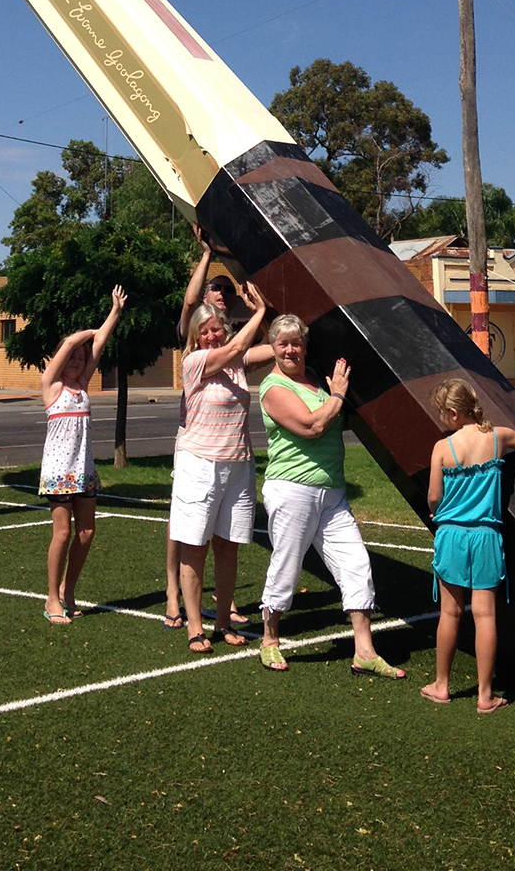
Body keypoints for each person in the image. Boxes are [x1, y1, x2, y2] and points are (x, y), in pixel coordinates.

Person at [256, 314, 404, 678]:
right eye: (283, 344)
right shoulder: (273, 388)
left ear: (306, 345)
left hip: (332, 492)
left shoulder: (316, 379)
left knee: (356, 565)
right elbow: (312, 425)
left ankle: (364, 651)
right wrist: (337, 395)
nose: (290, 349)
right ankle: (269, 640)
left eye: (296, 343)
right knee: (287, 568)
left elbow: (338, 416)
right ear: (273, 348)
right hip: (292, 491)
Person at [421, 379, 515, 713]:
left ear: (452, 412)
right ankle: (485, 695)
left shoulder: (441, 448)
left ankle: (441, 685)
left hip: (451, 536)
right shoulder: (496, 437)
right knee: (485, 613)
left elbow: (434, 496)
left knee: (449, 611)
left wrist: (438, 509)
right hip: (487, 536)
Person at [170, 283, 272, 652]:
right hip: (200, 465)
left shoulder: (237, 366)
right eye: (206, 330)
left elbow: (276, 346)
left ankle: (224, 623)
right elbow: (237, 347)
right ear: (196, 336)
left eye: (218, 329)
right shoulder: (194, 362)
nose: (213, 335)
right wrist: (259, 312)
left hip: (238, 465)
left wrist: (268, 311)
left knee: (229, 548)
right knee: (195, 546)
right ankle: (195, 627)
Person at [164, 228, 251, 630]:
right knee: (185, 530)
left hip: (231, 453)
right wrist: (206, 256)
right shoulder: (193, 342)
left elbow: (249, 347)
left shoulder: (229, 335)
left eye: (226, 291)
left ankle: (223, 608)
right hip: (194, 443)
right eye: (215, 289)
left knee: (221, 537)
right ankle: (172, 595)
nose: (220, 293)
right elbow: (190, 300)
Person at [38, 286, 127, 624]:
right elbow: (69, 346)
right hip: (59, 472)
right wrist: (81, 336)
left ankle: (68, 590)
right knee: (61, 533)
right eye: (72, 357)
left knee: (86, 534)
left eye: (80, 358)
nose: (76, 361)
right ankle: (51, 599)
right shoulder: (52, 387)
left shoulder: (83, 385)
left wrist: (114, 311)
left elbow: (99, 344)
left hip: (84, 471)